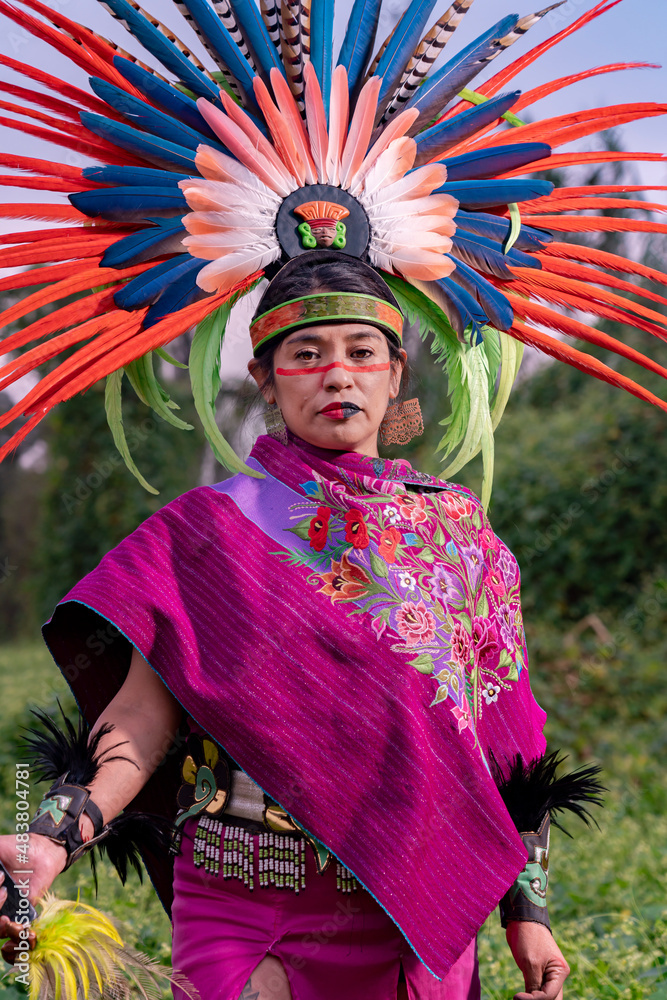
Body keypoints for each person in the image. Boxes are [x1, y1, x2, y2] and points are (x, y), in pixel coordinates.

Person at [0, 253, 577, 1000]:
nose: (337, 375)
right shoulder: (205, 533)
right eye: (306, 355)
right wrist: (48, 836)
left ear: (394, 373)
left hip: (411, 903)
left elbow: (506, 745)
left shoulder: (459, 533)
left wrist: (525, 911)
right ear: (267, 379)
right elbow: (139, 717)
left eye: (360, 352)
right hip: (245, 898)